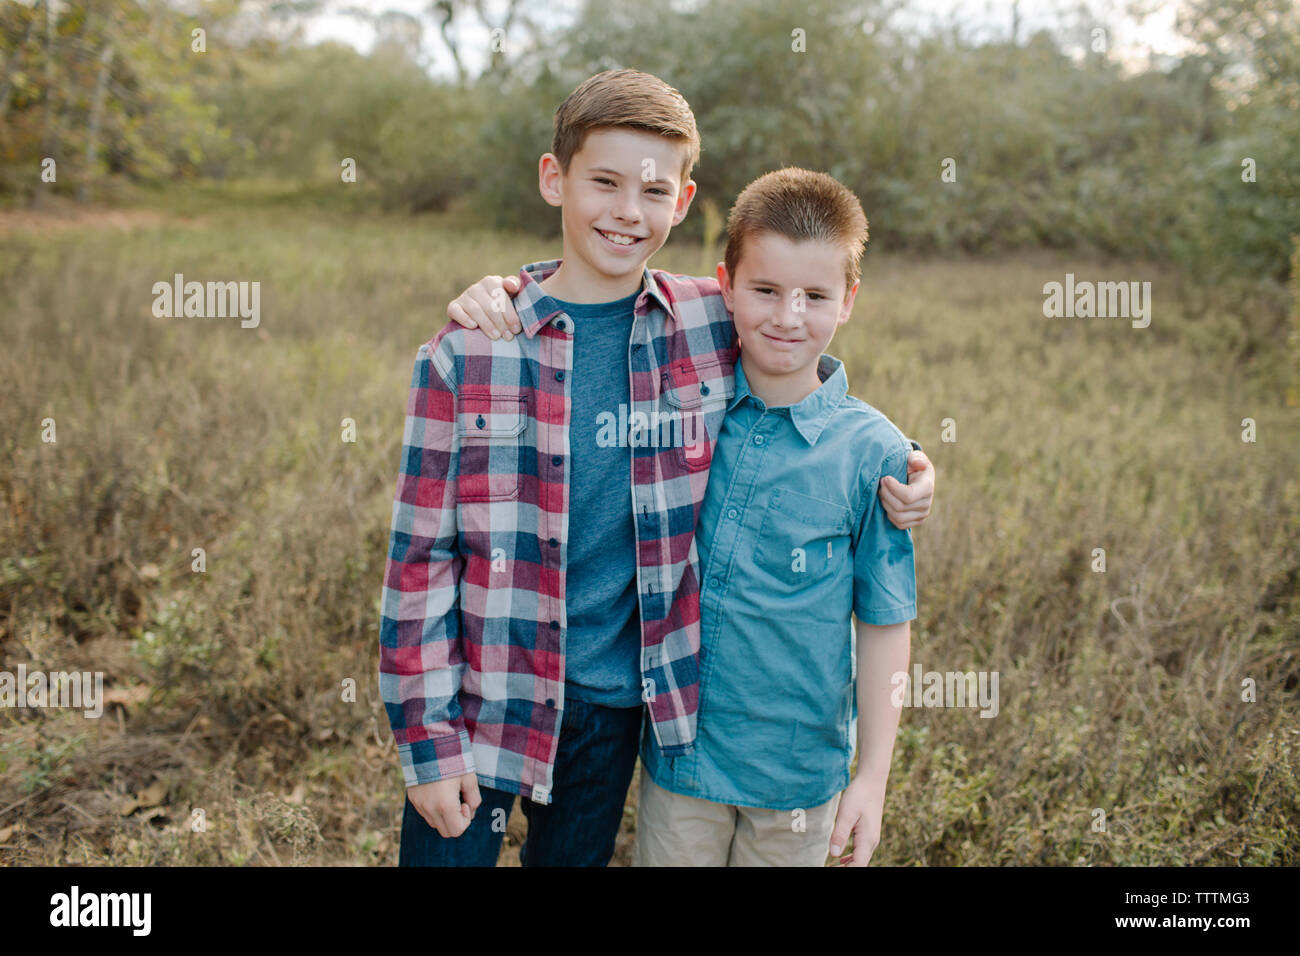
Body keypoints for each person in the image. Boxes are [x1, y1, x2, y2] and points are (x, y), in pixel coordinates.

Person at [382, 68, 935, 867]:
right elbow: (418, 565)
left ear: (682, 202)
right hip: (483, 705)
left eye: (652, 191)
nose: (626, 211)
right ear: (553, 178)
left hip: (615, 713)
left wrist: (908, 460)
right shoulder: (470, 351)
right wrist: (427, 741)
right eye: (602, 181)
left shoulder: (705, 321)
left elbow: (795, 357)